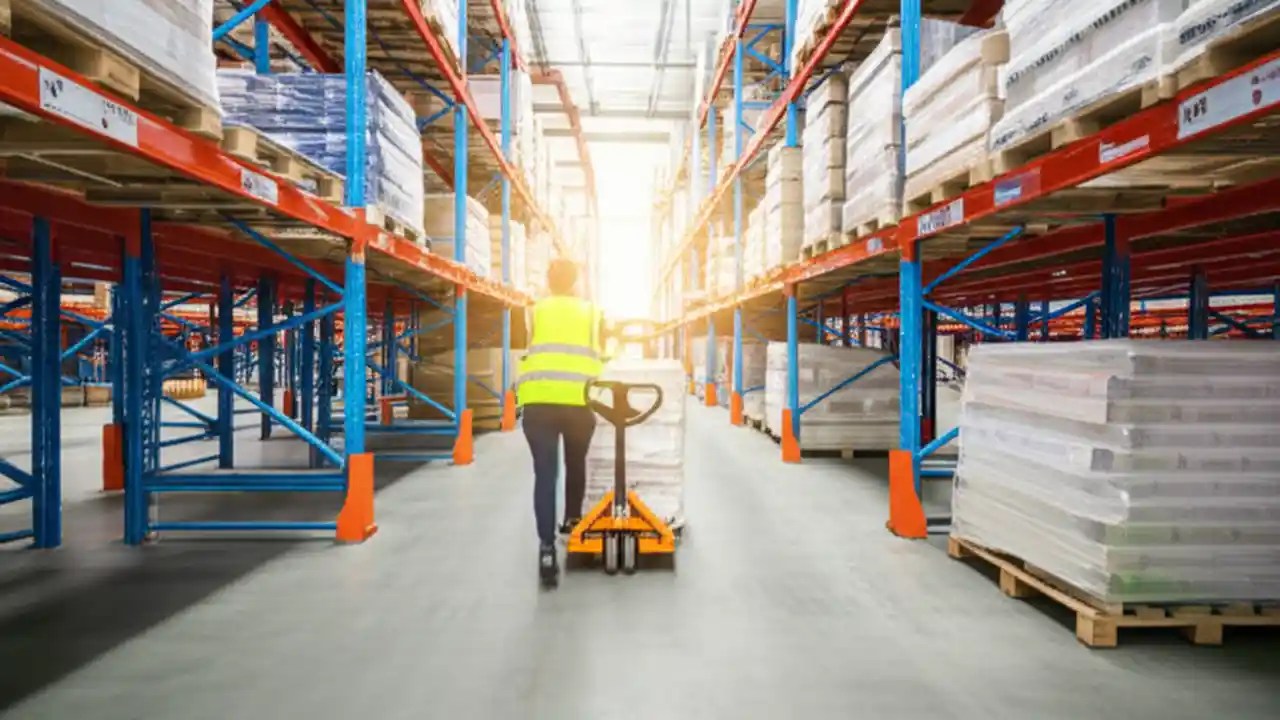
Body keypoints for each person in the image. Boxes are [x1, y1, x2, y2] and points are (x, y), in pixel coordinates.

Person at [517, 258, 605, 587]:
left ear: (548, 280)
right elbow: (601, 355)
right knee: (576, 462)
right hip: (578, 402)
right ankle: (572, 520)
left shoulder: (534, 310)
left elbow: (528, 350)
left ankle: (546, 548)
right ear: (575, 281)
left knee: (545, 474)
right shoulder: (591, 312)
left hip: (538, 402)